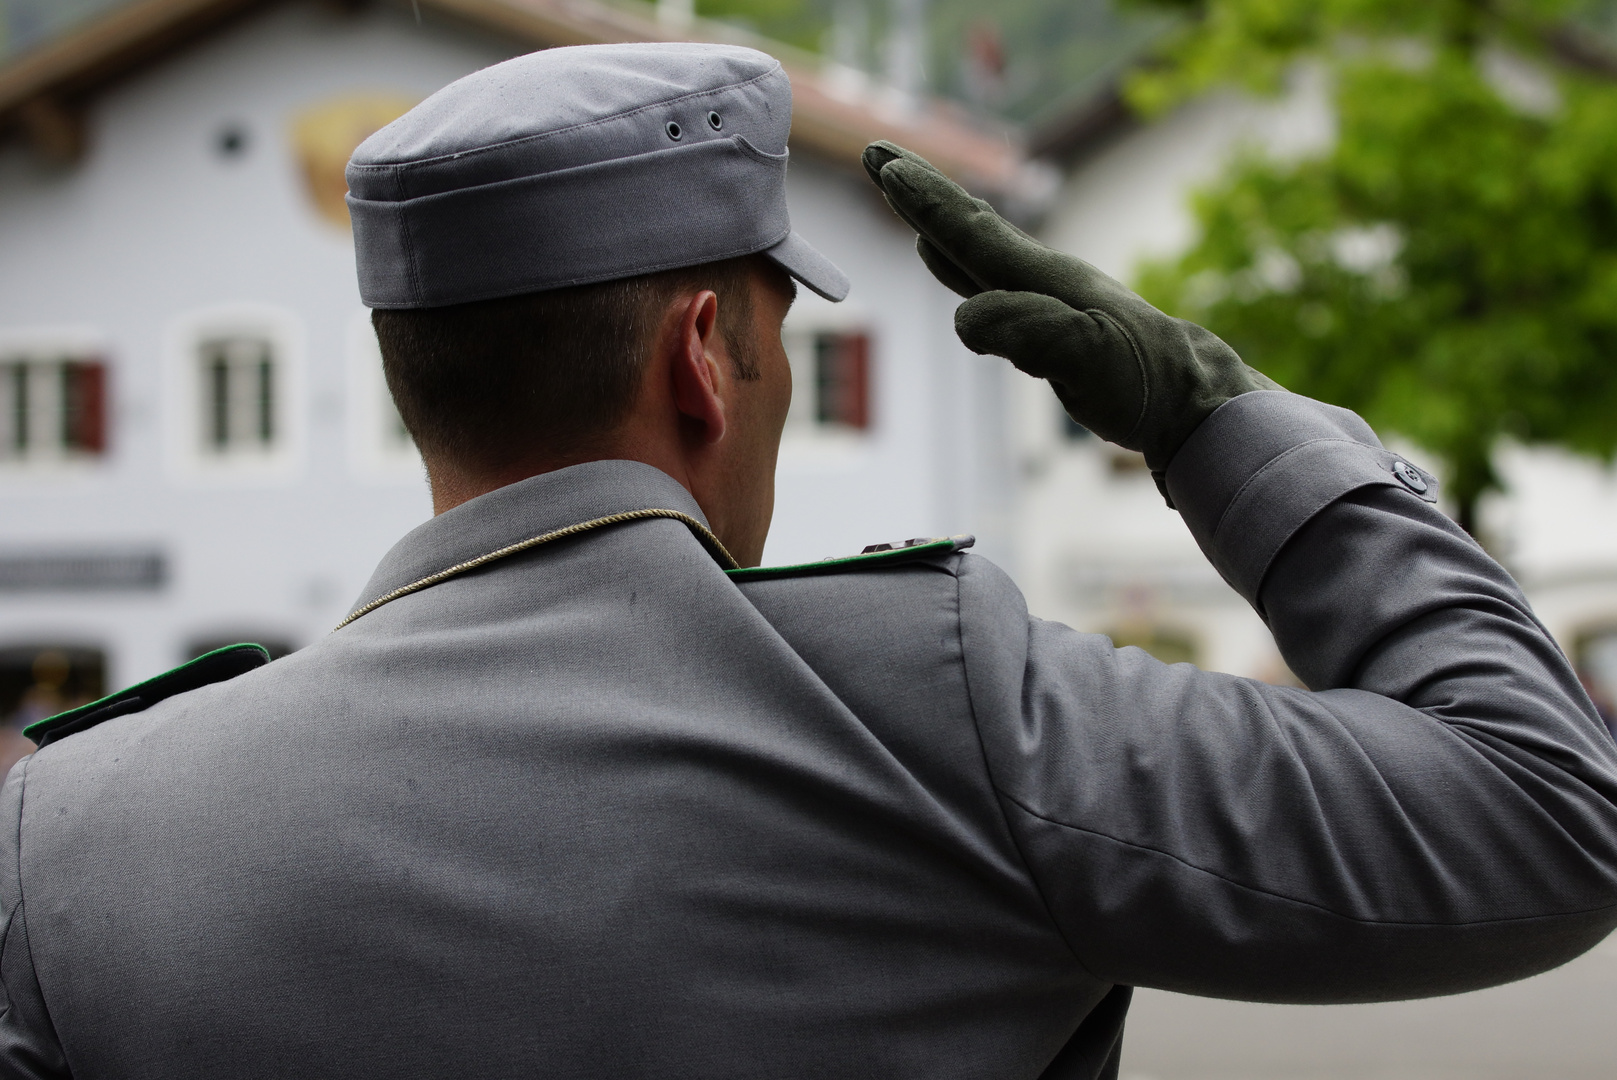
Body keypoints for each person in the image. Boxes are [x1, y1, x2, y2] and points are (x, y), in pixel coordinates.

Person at [3, 42, 1617, 1080]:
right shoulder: (930, 712)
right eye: (779, 345)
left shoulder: (67, 833)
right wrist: (1216, 415)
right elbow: (1543, 815)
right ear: (708, 357)